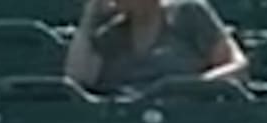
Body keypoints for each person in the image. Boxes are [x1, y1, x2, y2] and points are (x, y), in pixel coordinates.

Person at [65, 0, 249, 94]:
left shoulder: (188, 14)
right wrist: (88, 20)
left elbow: (238, 68)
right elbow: (79, 80)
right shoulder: (110, 33)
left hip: (185, 116)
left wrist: (194, 87)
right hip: (126, 122)